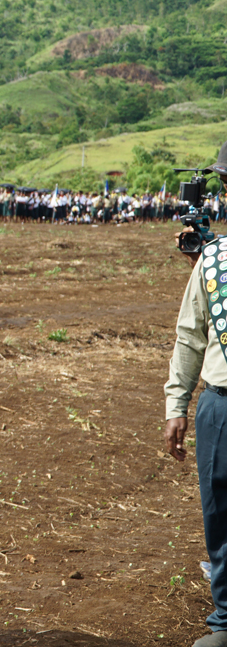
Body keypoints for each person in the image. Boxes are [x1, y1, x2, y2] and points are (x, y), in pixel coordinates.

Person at [165, 143, 227, 647]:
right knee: (220, 513)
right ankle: (225, 620)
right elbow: (192, 334)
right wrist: (177, 404)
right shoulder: (215, 261)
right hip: (221, 405)